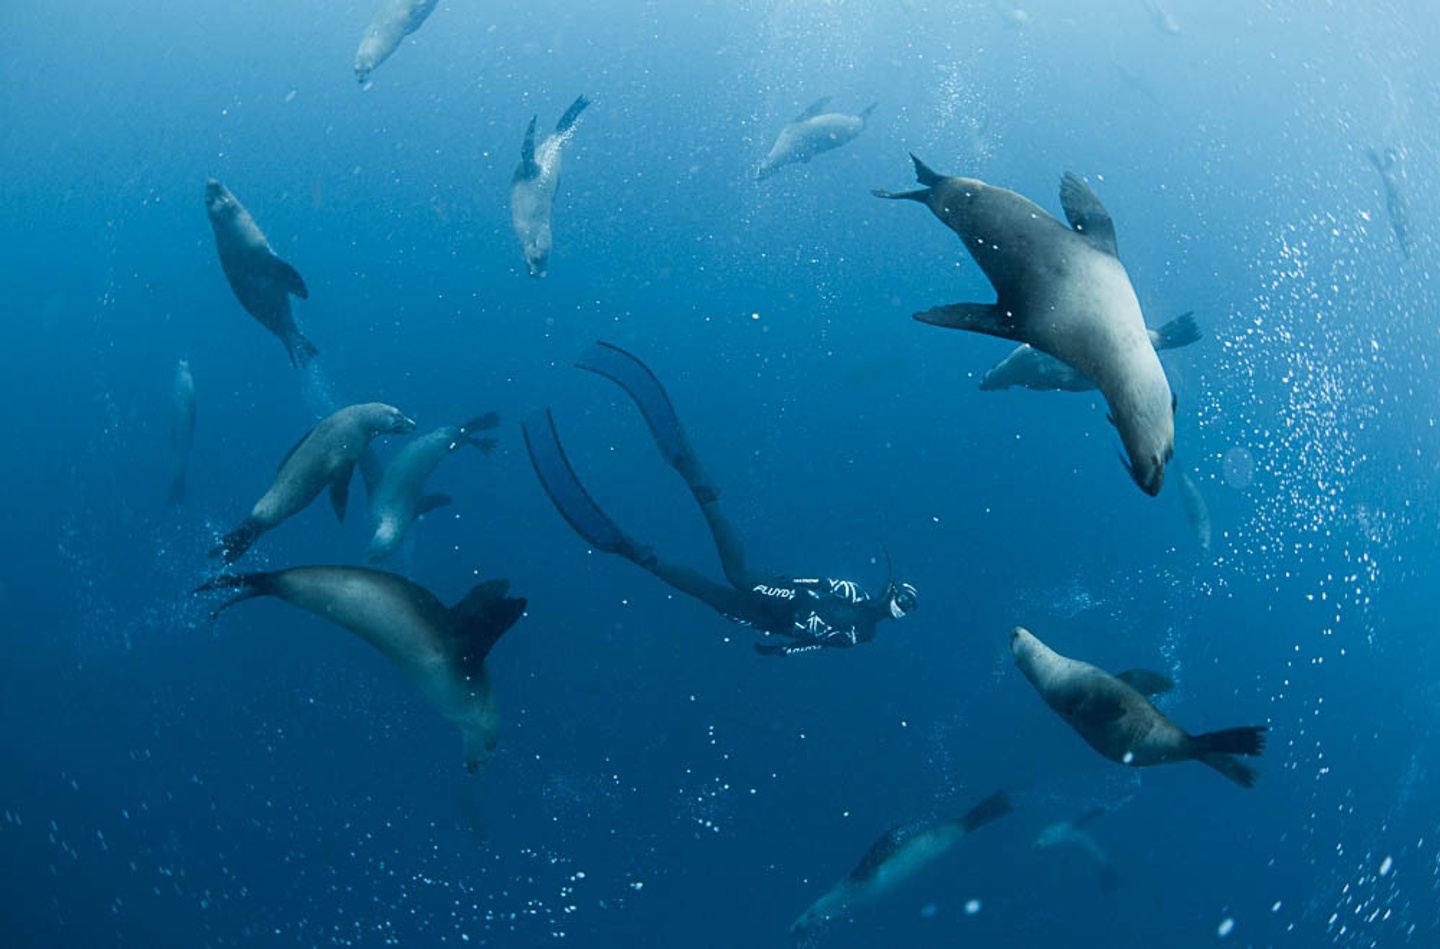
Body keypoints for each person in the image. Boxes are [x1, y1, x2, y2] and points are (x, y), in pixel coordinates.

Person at [523, 342, 918, 657]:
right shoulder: (857, 596)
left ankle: (636, 552)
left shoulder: (863, 635)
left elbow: (819, 645)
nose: (897, 604)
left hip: (774, 623)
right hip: (788, 601)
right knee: (738, 575)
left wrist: (785, 651)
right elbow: (818, 582)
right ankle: (698, 480)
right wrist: (785, 583)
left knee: (710, 594)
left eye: (903, 605)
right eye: (902, 598)